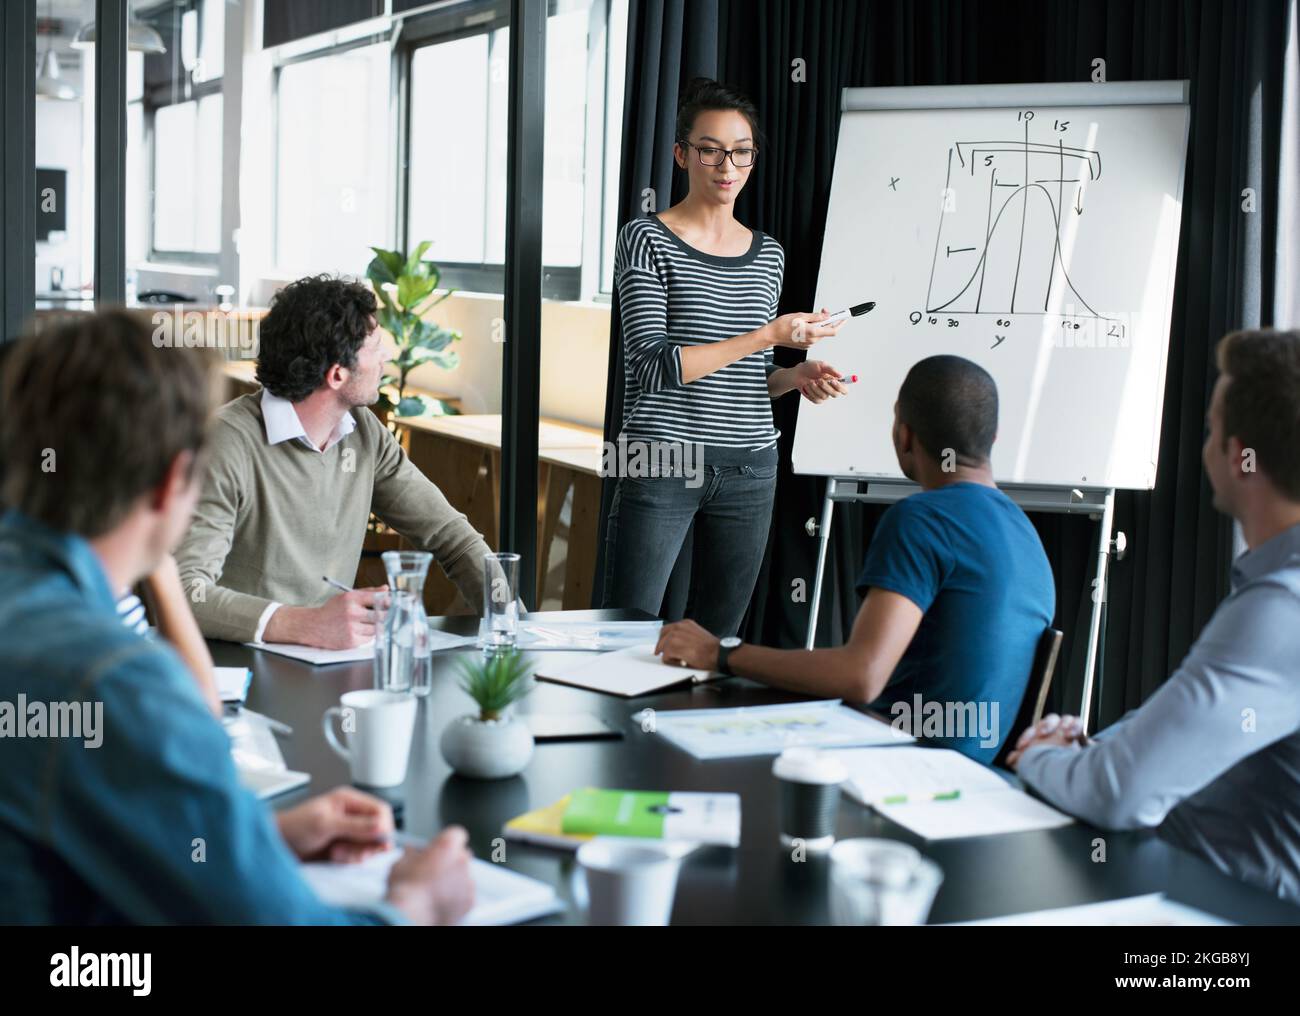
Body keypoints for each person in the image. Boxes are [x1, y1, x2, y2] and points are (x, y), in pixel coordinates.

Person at [0, 310, 473, 924]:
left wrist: (254, 838)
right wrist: (416, 904)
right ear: (175, 483)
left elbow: (83, 829)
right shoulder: (114, 682)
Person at [1008, 328, 1300, 902]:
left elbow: (1120, 794)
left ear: (1240, 457)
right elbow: (1171, 745)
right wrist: (1091, 754)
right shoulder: (1273, 585)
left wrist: (1037, 756)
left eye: (1212, 430)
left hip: (1221, 914)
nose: (1205, 444)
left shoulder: (1282, 607)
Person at [655, 355, 1056, 763]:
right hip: (968, 782)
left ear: (903, 435)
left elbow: (861, 676)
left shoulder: (923, 519)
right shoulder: (1027, 535)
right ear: (994, 437)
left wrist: (721, 652)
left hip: (898, 770)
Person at [602, 77, 849, 638]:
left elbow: (748, 378)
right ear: (682, 154)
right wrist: (768, 335)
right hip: (662, 460)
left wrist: (793, 375)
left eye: (741, 152)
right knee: (623, 633)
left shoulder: (768, 254)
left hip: (750, 467)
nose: (726, 165)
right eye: (711, 149)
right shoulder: (645, 238)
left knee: (716, 645)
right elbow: (654, 365)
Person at [174, 274, 491, 649]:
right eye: (375, 347)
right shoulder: (228, 442)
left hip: (330, 665)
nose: (386, 356)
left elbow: (451, 537)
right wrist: (304, 624)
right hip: (236, 667)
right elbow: (185, 591)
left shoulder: (363, 432)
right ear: (337, 374)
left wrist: (511, 622)